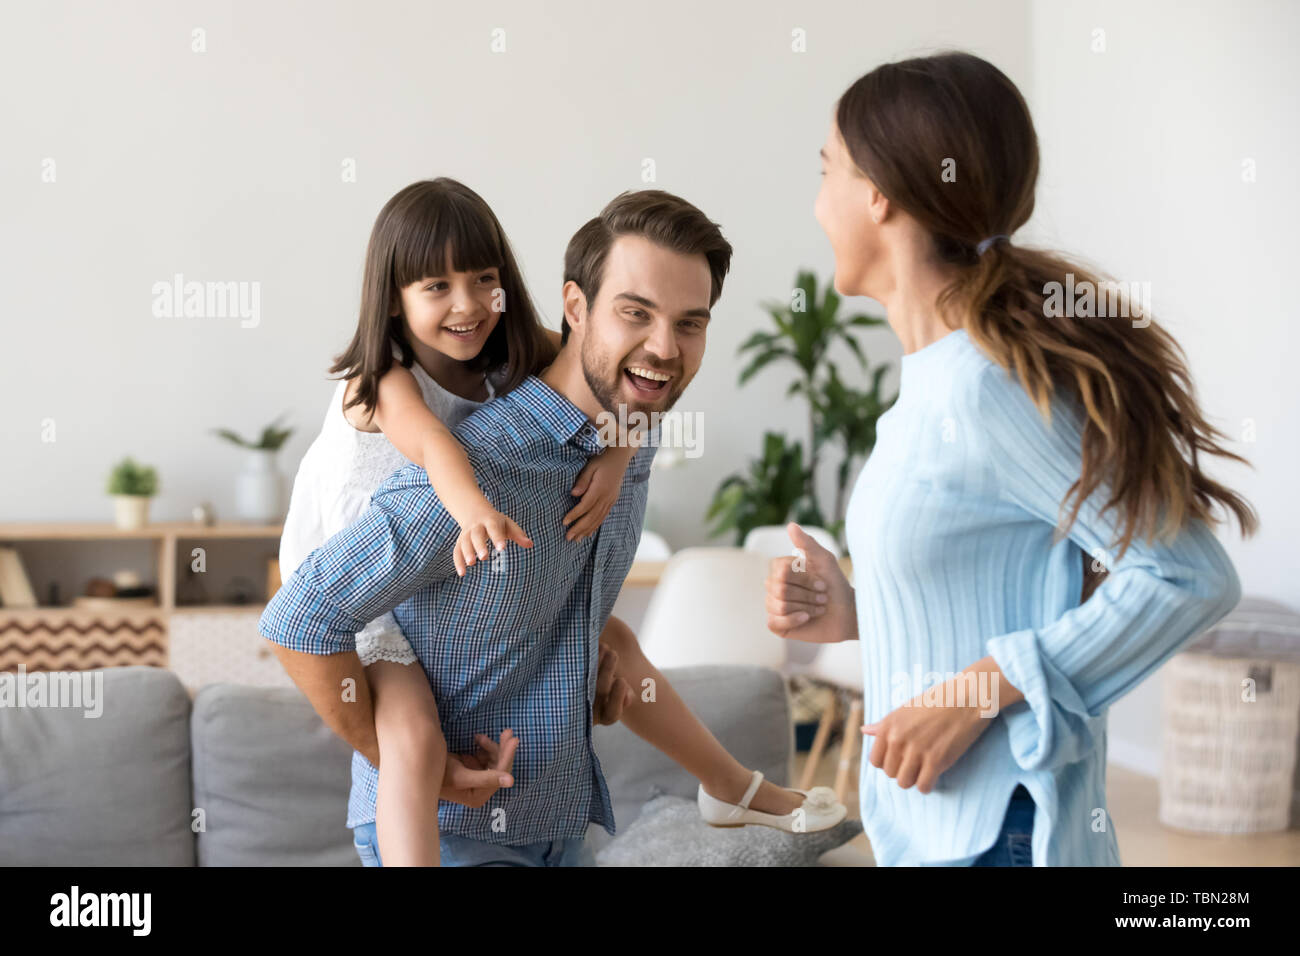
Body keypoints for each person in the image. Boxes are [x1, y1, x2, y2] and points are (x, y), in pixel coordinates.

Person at [765, 51, 1256, 866]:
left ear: (878, 194)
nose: (817, 204)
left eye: (827, 171)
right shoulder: (937, 383)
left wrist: (982, 685)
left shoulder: (982, 389)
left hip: (1000, 835)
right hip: (950, 834)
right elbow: (1017, 584)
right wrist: (860, 612)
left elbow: (1188, 576)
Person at [265, 187, 844, 868]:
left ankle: (732, 785)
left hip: (559, 822)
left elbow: (614, 395)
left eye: (691, 323)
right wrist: (398, 757)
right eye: (635, 313)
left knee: (612, 637)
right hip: (457, 833)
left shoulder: (619, 424)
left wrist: (575, 669)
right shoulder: (450, 450)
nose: (664, 347)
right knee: (410, 728)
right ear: (577, 307)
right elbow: (299, 618)